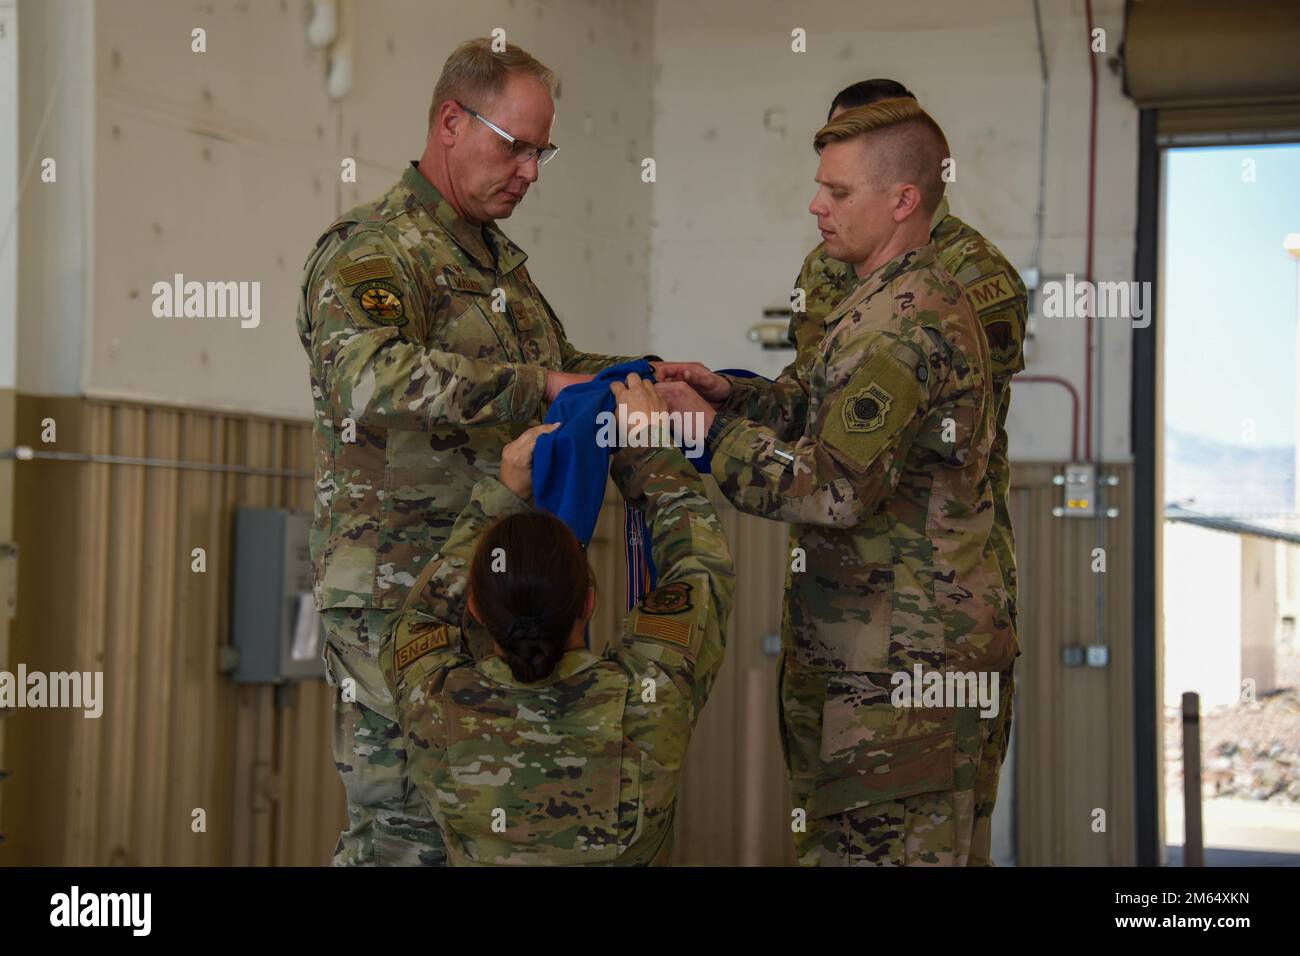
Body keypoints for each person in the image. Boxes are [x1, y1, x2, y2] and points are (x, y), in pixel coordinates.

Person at [296, 37, 640, 866]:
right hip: (399, 593)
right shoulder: (376, 250)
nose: (530, 171)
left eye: (541, 150)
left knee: (492, 829)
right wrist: (540, 388)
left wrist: (644, 376)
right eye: (514, 145)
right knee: (409, 833)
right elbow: (368, 378)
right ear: (451, 121)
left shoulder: (493, 263)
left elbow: (550, 366)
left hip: (493, 591)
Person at [657, 98, 1016, 865]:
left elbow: (834, 487)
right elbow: (820, 410)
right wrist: (732, 394)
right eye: (820, 187)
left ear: (902, 201)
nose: (815, 207)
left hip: (905, 674)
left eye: (838, 192)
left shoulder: (908, 322)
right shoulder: (876, 301)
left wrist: (707, 434)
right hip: (869, 656)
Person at [381, 374, 734, 865]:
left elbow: (421, 616)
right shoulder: (652, 697)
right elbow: (699, 566)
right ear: (589, 603)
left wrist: (501, 495)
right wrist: (649, 448)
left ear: (477, 610)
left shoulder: (433, 705)